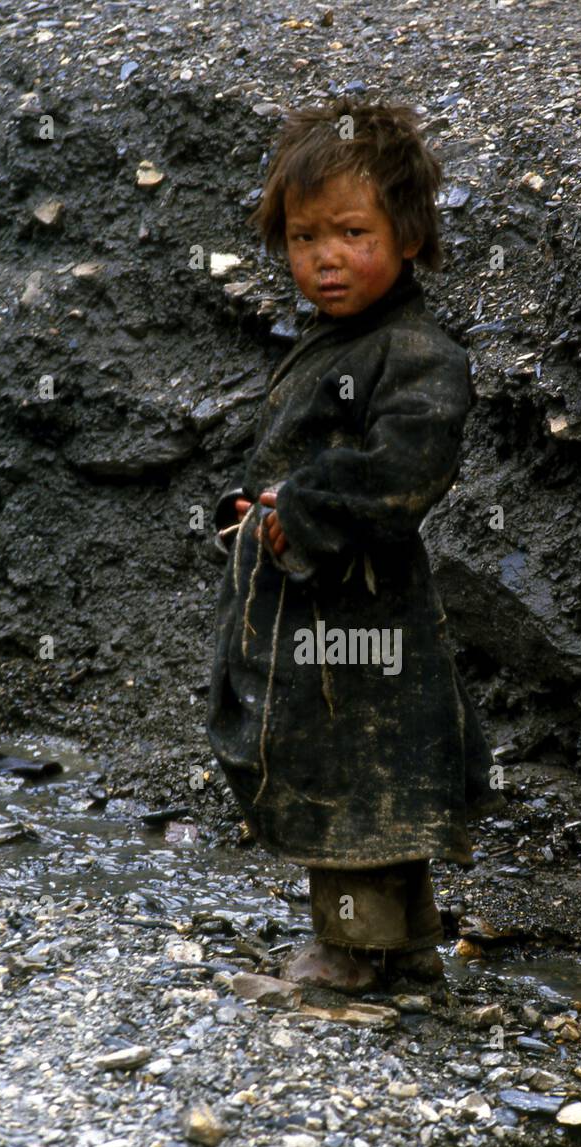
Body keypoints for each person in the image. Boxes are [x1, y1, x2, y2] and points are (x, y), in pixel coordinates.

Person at [206, 97, 497, 994]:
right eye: (302, 238)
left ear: (408, 234)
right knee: (350, 758)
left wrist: (306, 508)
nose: (323, 258)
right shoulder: (338, 341)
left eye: (350, 233)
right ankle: (402, 946)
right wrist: (257, 511)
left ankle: (347, 953)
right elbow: (304, 454)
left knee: (353, 767)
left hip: (362, 610)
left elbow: (407, 466)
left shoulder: (416, 352)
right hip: (313, 599)